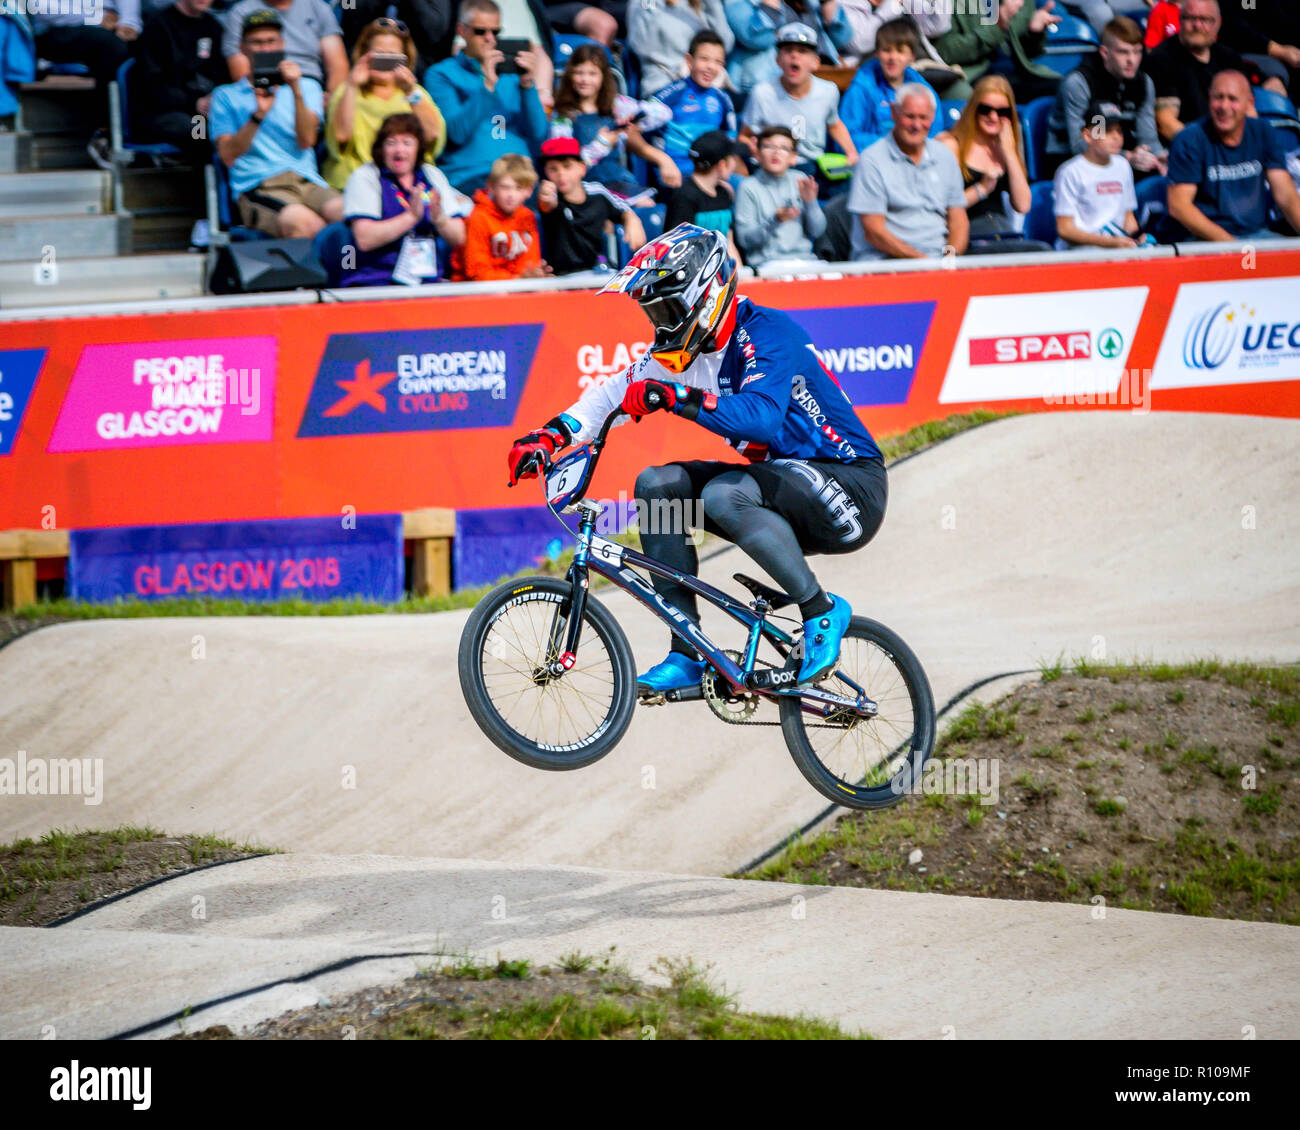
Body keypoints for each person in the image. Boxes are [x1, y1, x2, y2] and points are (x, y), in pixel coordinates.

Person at [504, 223, 888, 690]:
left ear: (706, 293)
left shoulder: (766, 331)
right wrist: (547, 438)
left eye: (667, 309)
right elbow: (606, 399)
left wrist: (677, 397)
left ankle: (820, 611)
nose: (660, 325)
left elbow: (761, 419)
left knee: (726, 494)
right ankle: (687, 652)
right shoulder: (682, 354)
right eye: (653, 313)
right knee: (657, 486)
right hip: (784, 487)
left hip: (852, 488)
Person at [211, 10, 343, 237]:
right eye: (257, 42)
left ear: (282, 44)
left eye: (271, 41)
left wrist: (296, 91)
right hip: (259, 185)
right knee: (306, 224)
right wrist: (258, 116)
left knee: (352, 214)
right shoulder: (225, 96)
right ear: (243, 48)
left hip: (307, 181)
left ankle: (357, 272)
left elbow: (307, 141)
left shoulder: (306, 87)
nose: (264, 48)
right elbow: (227, 156)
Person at [424, 0, 549, 198]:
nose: (490, 39)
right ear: (461, 31)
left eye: (496, 32)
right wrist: (487, 86)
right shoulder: (441, 74)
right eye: (481, 32)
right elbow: (456, 133)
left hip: (520, 180)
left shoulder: (513, 74)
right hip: (471, 178)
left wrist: (527, 85)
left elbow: (540, 134)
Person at [1166, 69, 1300, 242]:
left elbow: (1286, 196)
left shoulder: (1263, 132)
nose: (1224, 106)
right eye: (1218, 97)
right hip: (1204, 241)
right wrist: (1233, 248)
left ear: (1249, 103)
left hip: (1257, 236)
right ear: (1209, 99)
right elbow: (1179, 206)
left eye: (1232, 99)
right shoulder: (1189, 139)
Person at [340, 111, 471, 284]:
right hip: (376, 281)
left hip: (428, 281)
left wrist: (440, 220)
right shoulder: (365, 176)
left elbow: (460, 237)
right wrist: (409, 218)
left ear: (418, 148)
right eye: (391, 143)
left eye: (407, 143)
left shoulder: (431, 175)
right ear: (381, 148)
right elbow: (365, 239)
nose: (399, 150)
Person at [322, 17, 445, 191]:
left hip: (408, 185)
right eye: (379, 55)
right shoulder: (347, 90)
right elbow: (341, 136)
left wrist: (411, 92)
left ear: (406, 59)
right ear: (364, 54)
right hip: (355, 184)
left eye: (393, 58)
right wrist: (352, 85)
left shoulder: (416, 92)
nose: (386, 63)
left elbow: (433, 135)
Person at [847, 82, 967, 260]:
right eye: (910, 116)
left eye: (923, 117)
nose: (917, 125)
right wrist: (922, 263)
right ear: (894, 113)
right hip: (884, 263)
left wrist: (949, 259)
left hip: (937, 261)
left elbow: (959, 221)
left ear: (933, 117)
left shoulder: (945, 156)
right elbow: (874, 232)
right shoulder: (872, 160)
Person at [1046, 16, 1165, 180]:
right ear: (1104, 52)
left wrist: (1157, 156)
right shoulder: (1080, 83)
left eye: (1137, 51)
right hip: (1070, 162)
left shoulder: (1143, 83)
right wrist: (1128, 158)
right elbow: (1080, 145)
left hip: (1117, 158)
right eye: (1123, 52)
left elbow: (1148, 137)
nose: (1132, 60)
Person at [550, 43, 670, 201]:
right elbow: (565, 165)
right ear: (570, 75)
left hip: (618, 182)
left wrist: (634, 122)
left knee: (648, 206)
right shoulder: (563, 116)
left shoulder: (616, 105)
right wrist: (601, 144)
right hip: (585, 186)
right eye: (579, 73)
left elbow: (664, 113)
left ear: (603, 77)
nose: (585, 79)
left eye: (592, 73)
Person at [740, 22, 858, 173]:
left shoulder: (828, 91)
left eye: (802, 51)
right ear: (778, 60)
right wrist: (755, 150)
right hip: (774, 168)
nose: (794, 56)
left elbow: (834, 124)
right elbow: (745, 135)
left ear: (815, 62)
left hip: (813, 164)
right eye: (788, 50)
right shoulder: (762, 93)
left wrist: (852, 153)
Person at [128, 0, 232, 165]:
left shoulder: (213, 27)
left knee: (240, 128)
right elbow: (150, 86)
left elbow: (223, 76)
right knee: (202, 133)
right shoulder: (158, 26)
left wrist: (215, 97)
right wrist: (194, 102)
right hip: (160, 113)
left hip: (200, 113)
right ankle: (204, 187)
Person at [1142, 0, 1259, 146]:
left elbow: (1248, 111)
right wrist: (1210, 150)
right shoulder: (1161, 59)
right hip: (1189, 151)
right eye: (1190, 18)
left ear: (1218, 23)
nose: (1197, 25)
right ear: (1180, 20)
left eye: (1204, 19)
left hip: (1232, 146)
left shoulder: (1231, 58)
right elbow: (1166, 124)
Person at [632, 30, 736, 193]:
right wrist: (663, 160)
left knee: (739, 186)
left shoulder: (723, 99)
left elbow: (729, 140)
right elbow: (631, 131)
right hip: (675, 176)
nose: (711, 66)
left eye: (717, 62)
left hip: (710, 175)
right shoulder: (671, 94)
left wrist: (728, 165)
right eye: (704, 59)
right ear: (689, 61)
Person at [936, 76, 1031, 242]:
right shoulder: (951, 145)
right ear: (974, 109)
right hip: (965, 235)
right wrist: (981, 190)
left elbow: (1023, 205)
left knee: (1040, 252)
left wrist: (1009, 153)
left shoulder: (1006, 147)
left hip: (1004, 234)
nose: (993, 117)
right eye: (986, 109)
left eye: (1002, 112)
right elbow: (941, 207)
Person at [536, 135, 646, 273]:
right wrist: (546, 199)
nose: (561, 174)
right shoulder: (552, 198)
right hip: (561, 278)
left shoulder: (597, 192)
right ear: (546, 173)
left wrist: (632, 220)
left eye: (567, 166)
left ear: (582, 168)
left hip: (597, 272)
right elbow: (547, 205)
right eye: (553, 169)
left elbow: (623, 209)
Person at [839, 15, 940, 154]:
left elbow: (935, 133)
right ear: (877, 53)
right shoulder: (862, 87)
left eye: (900, 51)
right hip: (873, 161)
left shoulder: (922, 90)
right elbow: (846, 139)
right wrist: (896, 143)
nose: (893, 57)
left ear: (912, 57)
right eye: (887, 50)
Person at [932, 0, 1062, 106]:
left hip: (1018, 72)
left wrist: (1034, 32)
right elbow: (945, 53)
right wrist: (997, 28)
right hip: (974, 75)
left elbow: (1030, 53)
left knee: (1065, 88)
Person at [734, 124, 825, 265]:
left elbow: (817, 231)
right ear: (757, 154)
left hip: (806, 261)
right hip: (768, 264)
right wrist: (775, 220)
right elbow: (745, 241)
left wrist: (811, 202)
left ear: (793, 157)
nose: (776, 152)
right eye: (768, 147)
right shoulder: (748, 187)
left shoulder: (799, 179)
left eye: (784, 148)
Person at [1052, 105, 1142, 250]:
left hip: (1117, 246)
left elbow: (1128, 218)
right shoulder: (1070, 172)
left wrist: (1138, 236)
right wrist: (1110, 242)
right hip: (1081, 251)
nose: (1116, 137)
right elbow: (1065, 229)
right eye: (1106, 131)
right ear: (1088, 136)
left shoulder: (1123, 165)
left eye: (1119, 131)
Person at [450, 152, 551, 280]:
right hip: (475, 292)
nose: (511, 195)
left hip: (515, 287)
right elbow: (477, 273)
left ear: (529, 190)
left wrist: (533, 275)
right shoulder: (478, 217)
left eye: (519, 188)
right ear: (491, 187)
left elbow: (529, 264)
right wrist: (519, 280)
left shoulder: (527, 216)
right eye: (505, 187)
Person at [725, 0, 853, 95]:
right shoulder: (740, 3)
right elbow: (758, 39)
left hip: (824, 77)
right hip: (771, 85)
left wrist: (827, 3)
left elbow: (843, 38)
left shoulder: (809, 3)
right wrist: (770, 8)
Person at [221, 0, 348, 93]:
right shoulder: (241, 11)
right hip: (260, 84)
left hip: (309, 84)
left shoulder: (318, 7)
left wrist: (332, 99)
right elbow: (240, 71)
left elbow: (338, 66)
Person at [664, 129, 744, 263]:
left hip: (721, 269)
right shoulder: (684, 196)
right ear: (722, 165)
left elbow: (729, 242)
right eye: (733, 159)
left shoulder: (724, 193)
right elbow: (677, 248)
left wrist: (740, 275)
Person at [627, 0, 733, 98]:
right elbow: (640, 45)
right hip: (663, 89)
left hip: (701, 91)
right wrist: (685, 69)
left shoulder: (696, 5)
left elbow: (724, 45)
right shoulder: (647, 3)